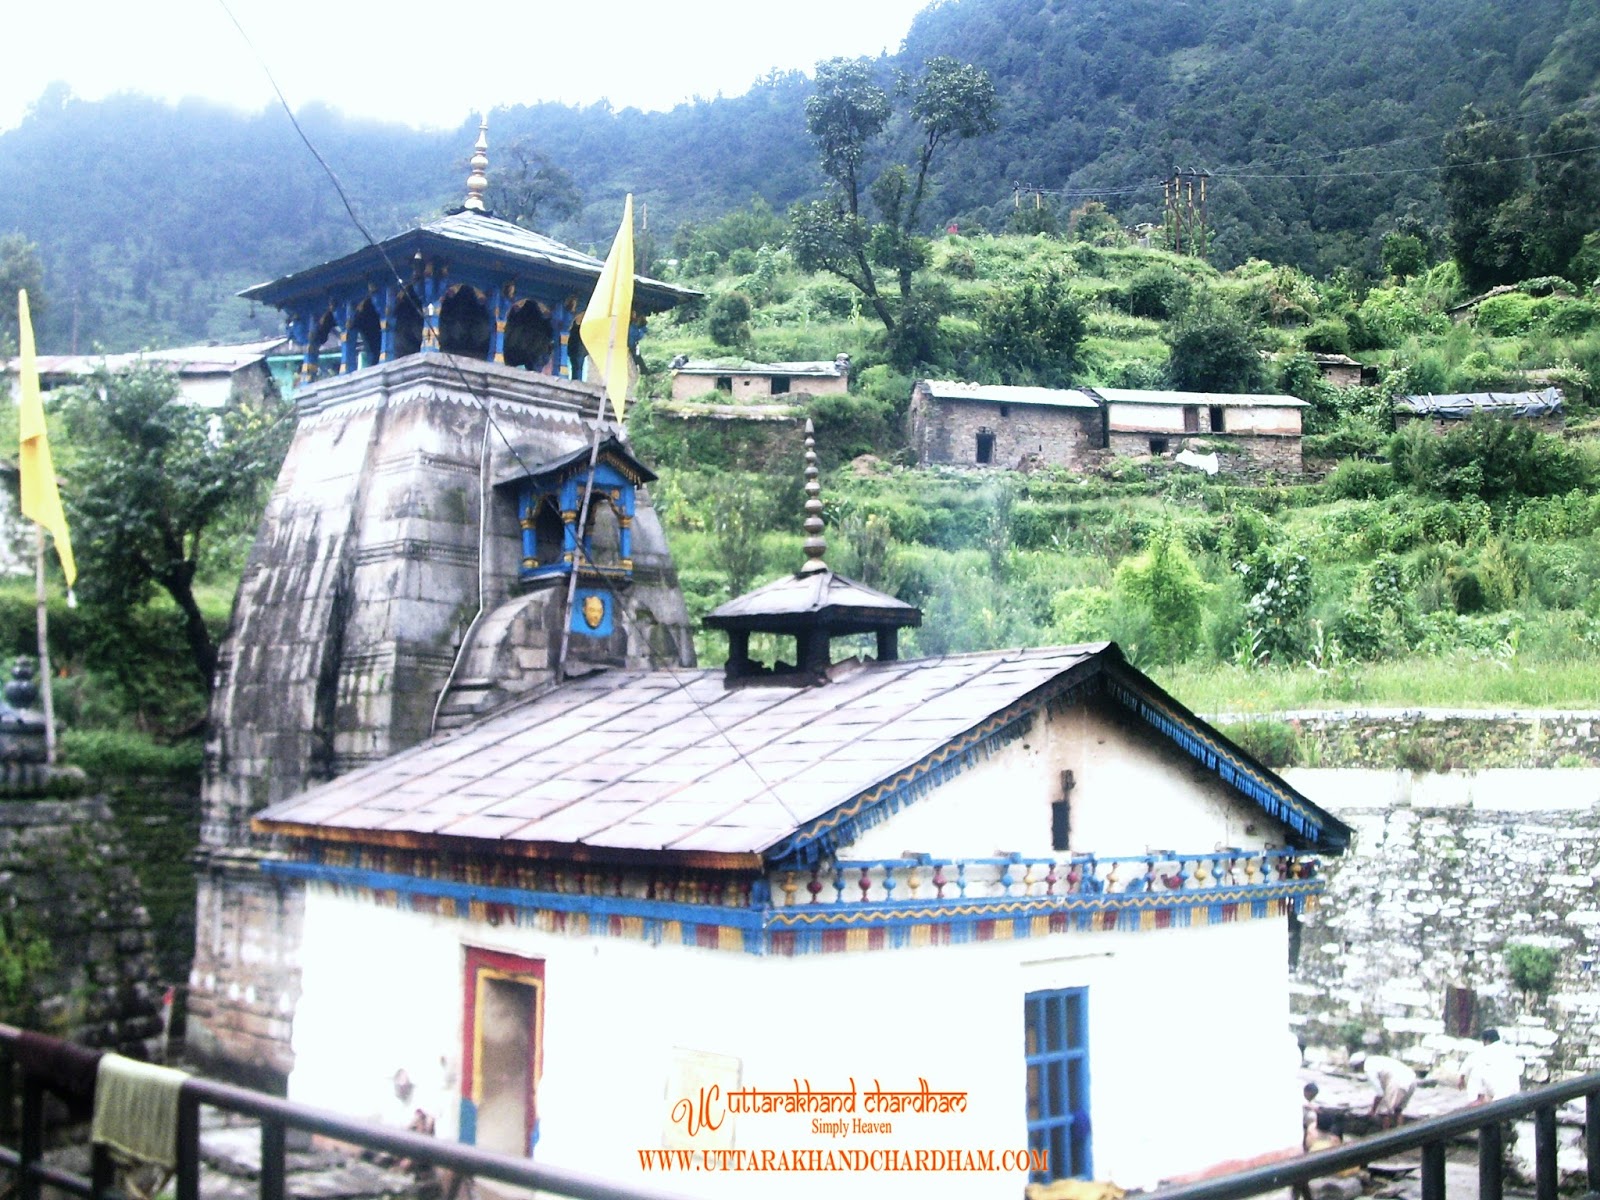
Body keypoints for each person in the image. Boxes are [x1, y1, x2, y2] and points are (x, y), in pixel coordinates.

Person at [1351, 1052, 1417, 1130]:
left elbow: (1380, 1093)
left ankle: (1385, 1136)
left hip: (1398, 1082)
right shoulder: (1375, 1059)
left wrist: (1373, 1110)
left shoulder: (1368, 1068)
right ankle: (1401, 1133)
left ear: (1359, 1065)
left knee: (1384, 1111)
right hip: (1412, 1079)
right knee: (1398, 1110)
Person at [1460, 1028, 1523, 1104]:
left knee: (1476, 1071)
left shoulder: (1483, 1051)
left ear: (1486, 1040)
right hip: (1515, 1092)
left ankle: (1475, 1100)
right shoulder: (1510, 1050)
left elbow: (1467, 1064)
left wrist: (1461, 1079)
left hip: (1499, 1093)